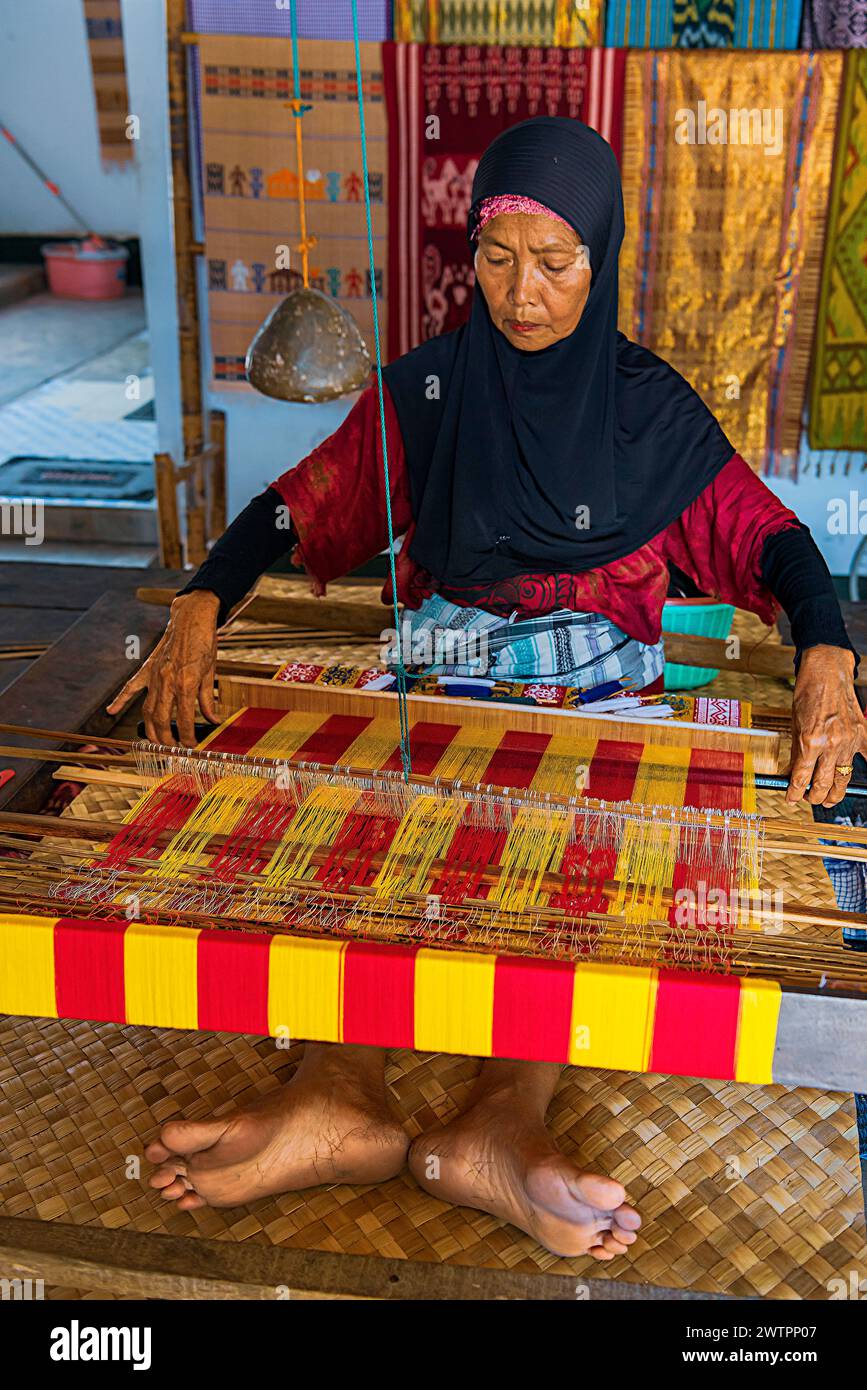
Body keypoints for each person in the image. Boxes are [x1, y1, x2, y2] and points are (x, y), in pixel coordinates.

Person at [109, 118, 865, 1259]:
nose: (524, 294)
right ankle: (337, 1093)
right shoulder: (430, 391)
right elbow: (299, 498)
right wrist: (210, 595)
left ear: (601, 258)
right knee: (361, 837)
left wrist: (827, 653)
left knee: (575, 870)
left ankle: (502, 1124)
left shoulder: (648, 411)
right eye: (499, 260)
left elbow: (780, 546)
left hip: (599, 694)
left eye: (556, 262)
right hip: (441, 675)